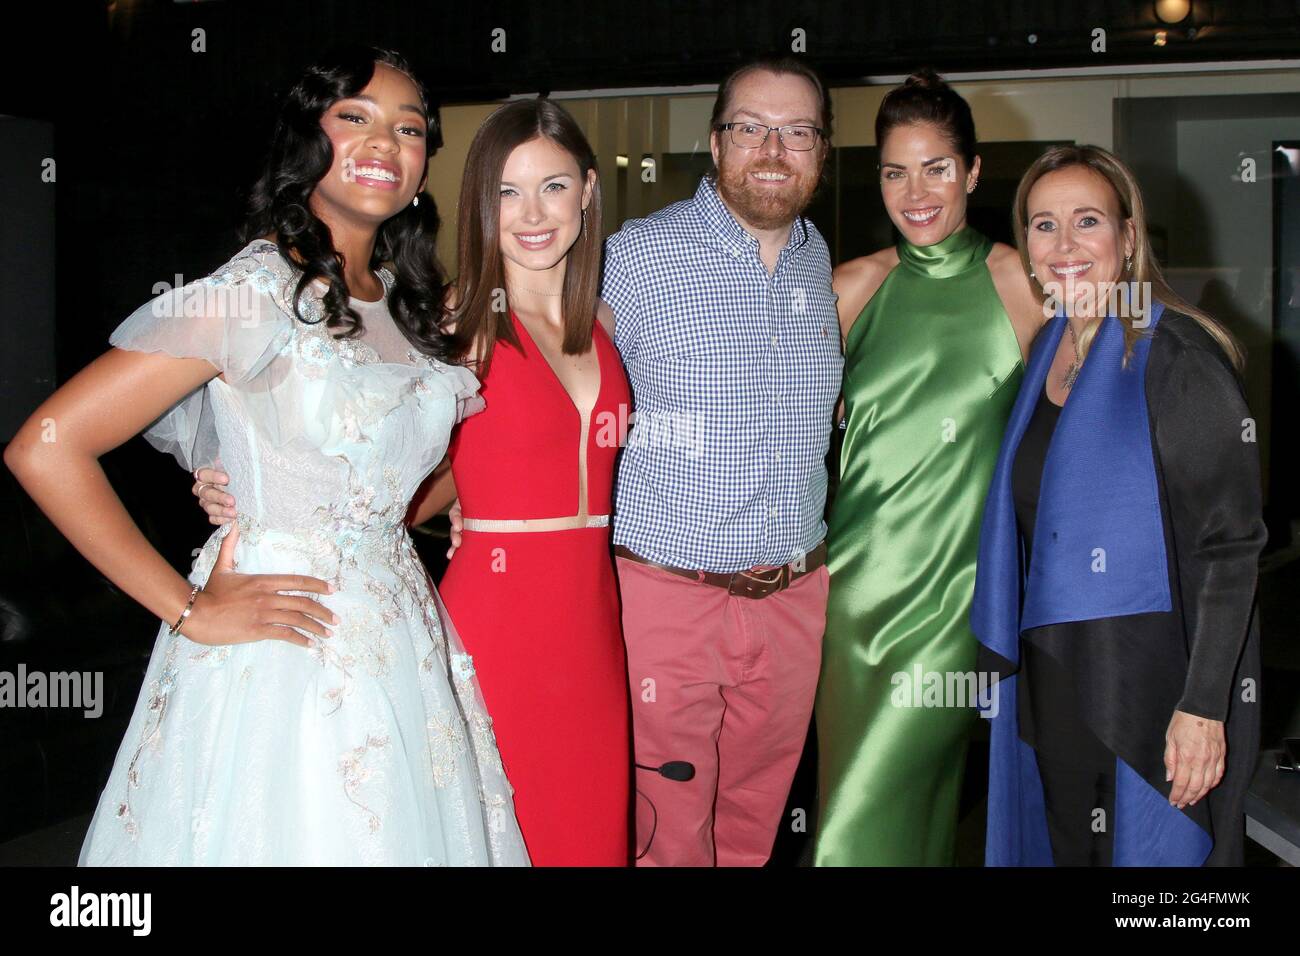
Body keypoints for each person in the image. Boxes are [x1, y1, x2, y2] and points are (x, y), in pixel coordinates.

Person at [5, 46, 529, 865]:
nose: (384, 143)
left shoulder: (409, 304)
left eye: (408, 129)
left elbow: (401, 486)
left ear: (425, 163)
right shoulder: (250, 294)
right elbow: (47, 447)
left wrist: (467, 498)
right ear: (307, 141)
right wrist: (187, 608)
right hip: (281, 640)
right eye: (354, 117)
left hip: (403, 639)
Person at [194, 99, 633, 866]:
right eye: (507, 191)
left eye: (554, 187)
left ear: (588, 191)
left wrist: (467, 494)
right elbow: (359, 452)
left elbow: (492, 467)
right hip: (497, 624)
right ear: (480, 202)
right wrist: (247, 490)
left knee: (592, 836)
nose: (533, 214)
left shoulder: (603, 322)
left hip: (595, 626)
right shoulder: (451, 326)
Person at [971, 144, 1263, 866]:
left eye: (1088, 221)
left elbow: (1231, 548)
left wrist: (1203, 708)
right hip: (1054, 675)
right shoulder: (1048, 349)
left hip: (1148, 687)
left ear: (1128, 236)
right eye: (1043, 224)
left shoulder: (1178, 356)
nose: (1064, 245)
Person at [601, 55, 842, 866]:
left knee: (752, 831)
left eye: (798, 132)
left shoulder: (818, 262)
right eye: (751, 128)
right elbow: (561, 394)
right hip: (668, 599)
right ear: (715, 142)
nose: (773, 150)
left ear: (821, 151)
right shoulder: (637, 257)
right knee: (667, 837)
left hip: (792, 602)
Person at [813, 70, 1044, 866]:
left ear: (973, 172)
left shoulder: (1021, 284)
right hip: (851, 600)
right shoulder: (850, 288)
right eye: (894, 172)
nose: (915, 193)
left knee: (861, 820)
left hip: (956, 602)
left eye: (936, 168)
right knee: (869, 807)